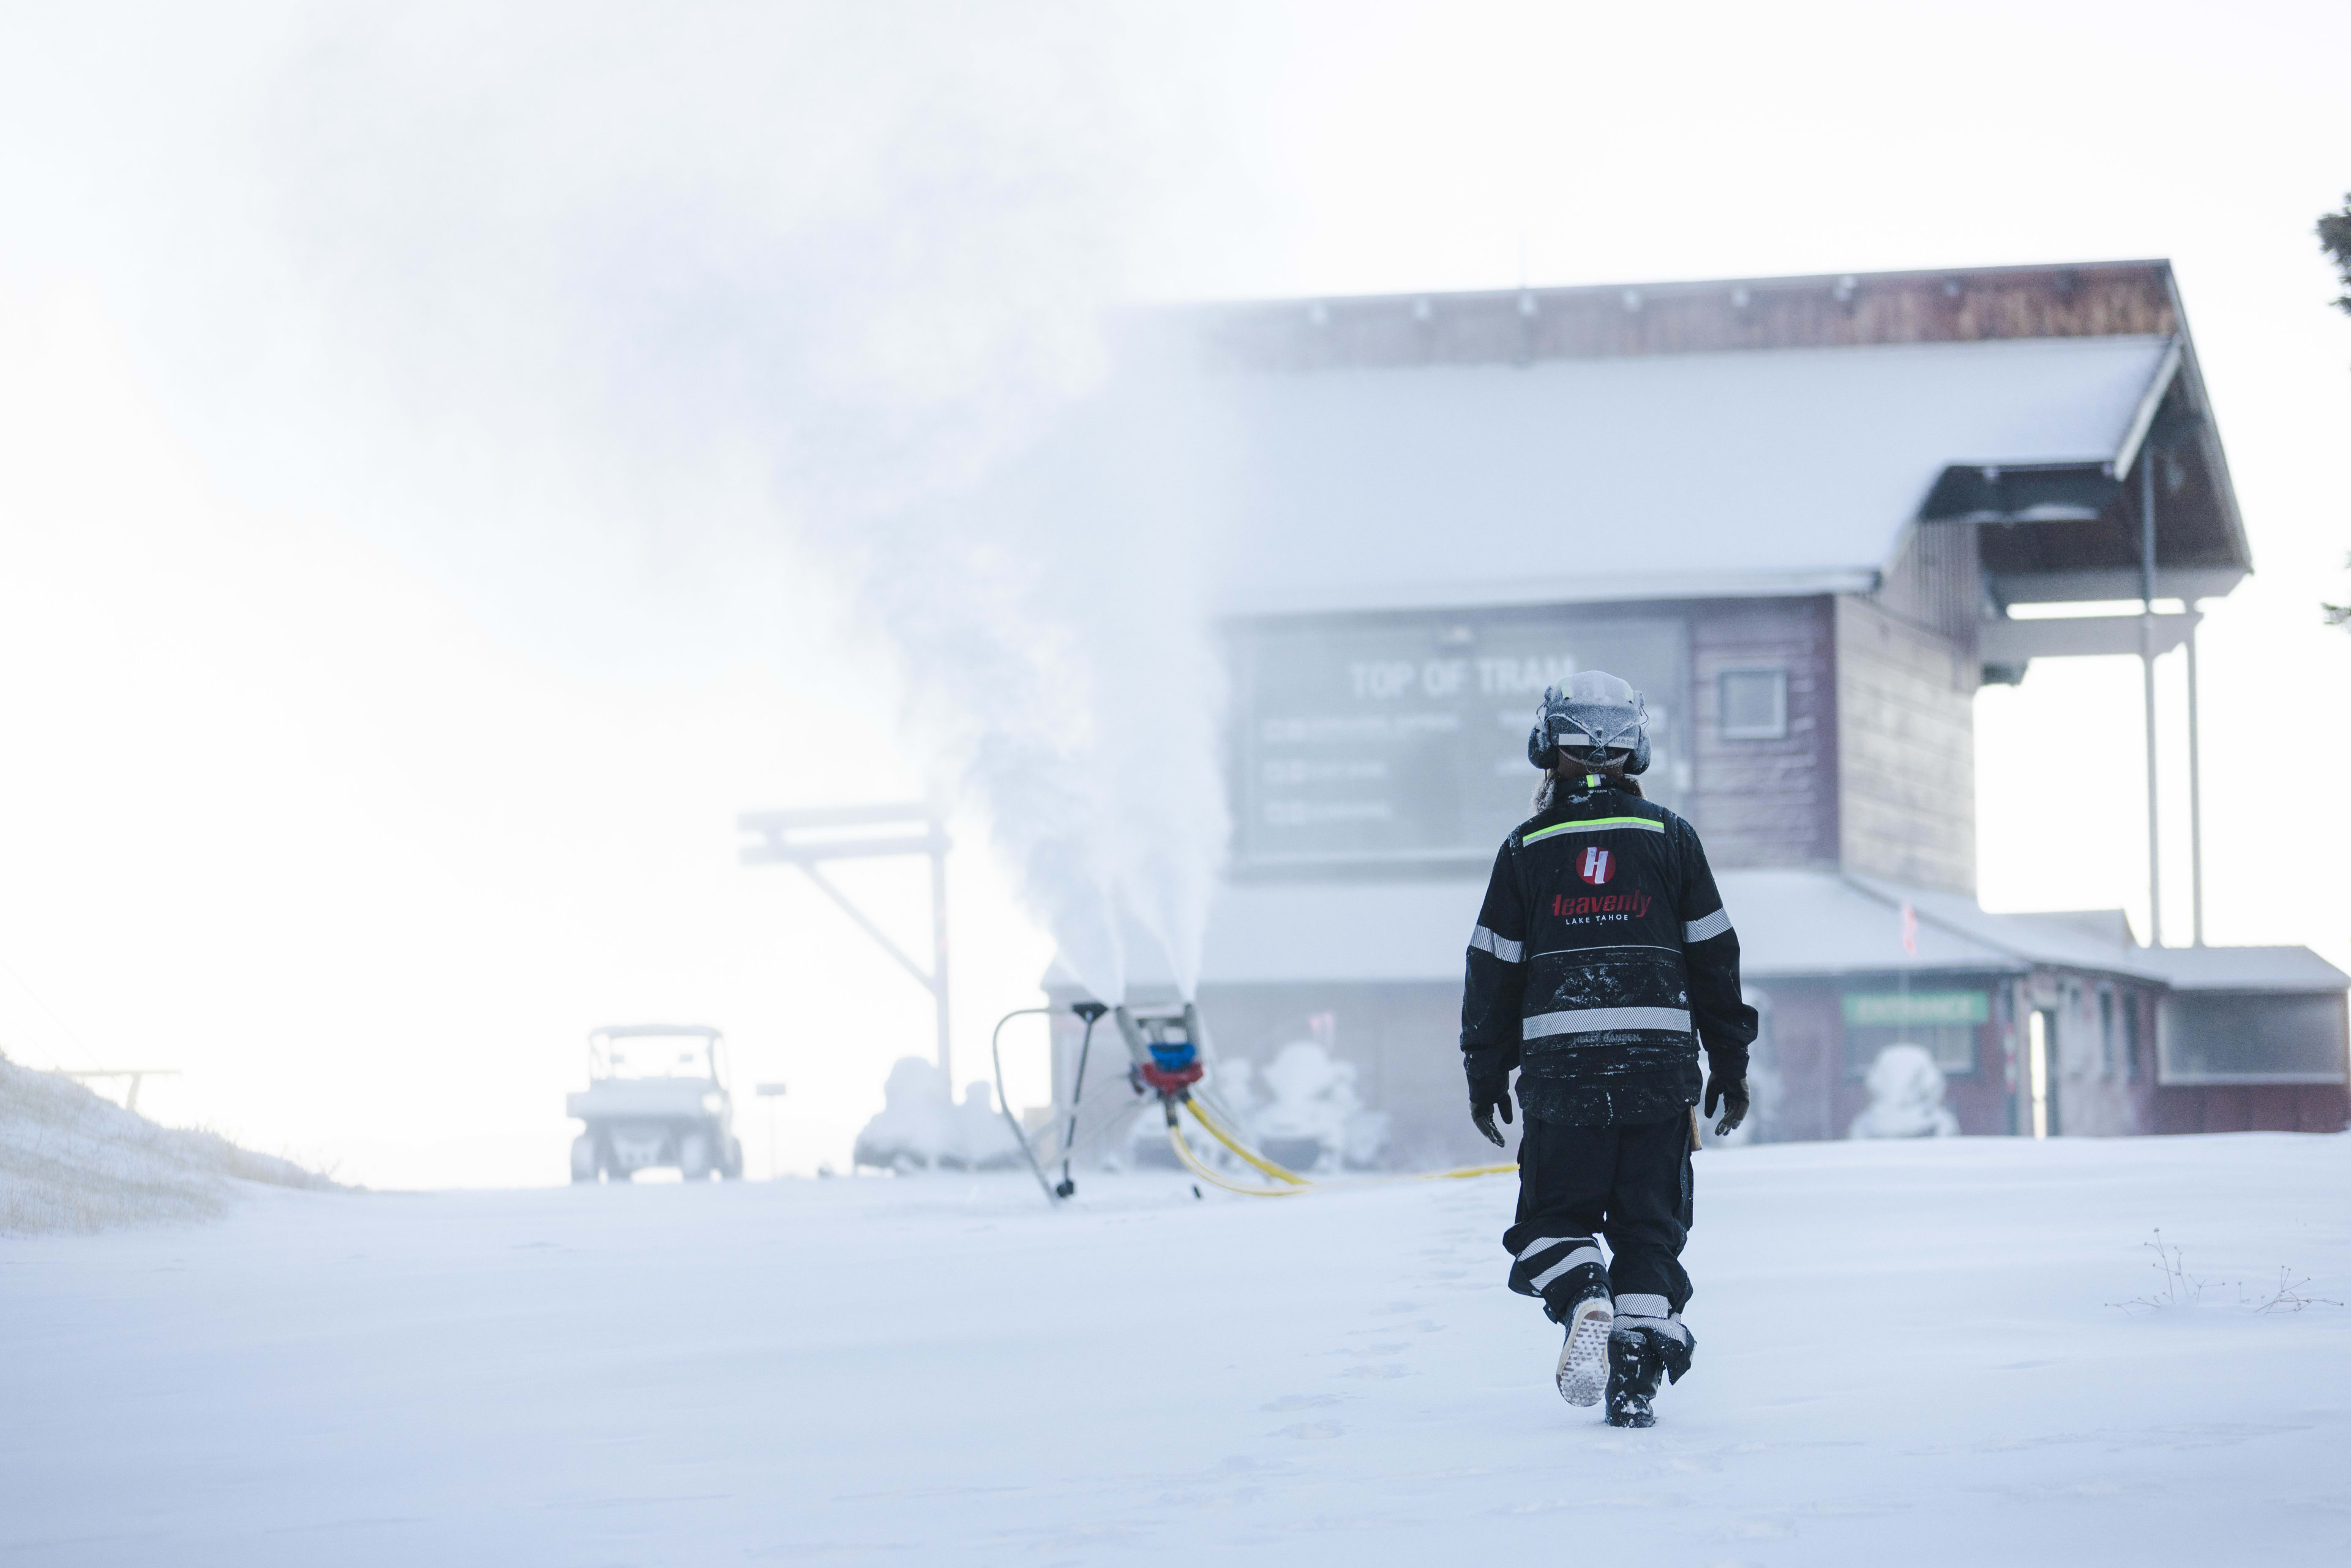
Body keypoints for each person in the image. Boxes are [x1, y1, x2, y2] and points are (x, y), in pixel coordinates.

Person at [1460, 672, 1755, 1427]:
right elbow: (1715, 959)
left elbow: (1491, 969)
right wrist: (1731, 1062)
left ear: (1543, 747)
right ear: (1638, 748)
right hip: (1660, 1083)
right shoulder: (1671, 839)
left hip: (1564, 1087)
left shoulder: (1526, 849)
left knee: (1551, 1222)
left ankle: (1582, 1290)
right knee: (1650, 1229)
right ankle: (1633, 1380)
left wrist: (1484, 1067)